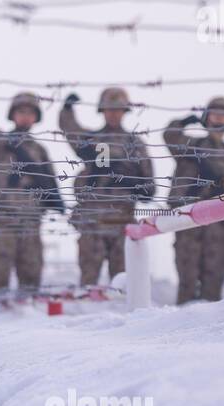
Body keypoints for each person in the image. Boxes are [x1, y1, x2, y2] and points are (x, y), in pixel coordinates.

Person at [0, 76, 64, 292]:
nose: (25, 116)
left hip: (30, 222)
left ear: (35, 117)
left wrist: (56, 203)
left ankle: (28, 320)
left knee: (31, 278)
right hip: (1, 222)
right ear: (13, 115)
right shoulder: (0, 145)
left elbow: (50, 183)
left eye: (30, 112)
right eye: (21, 112)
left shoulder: (39, 151)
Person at [58, 87, 155, 286]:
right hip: (92, 221)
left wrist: (125, 179)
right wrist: (67, 109)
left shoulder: (135, 144)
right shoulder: (91, 140)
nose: (113, 113)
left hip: (122, 220)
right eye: (109, 109)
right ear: (102, 110)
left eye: (118, 109)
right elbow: (71, 131)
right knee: (88, 281)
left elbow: (149, 188)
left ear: (124, 111)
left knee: (122, 282)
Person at [162, 97, 224, 303]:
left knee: (214, 284)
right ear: (206, 117)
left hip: (220, 227)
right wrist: (181, 122)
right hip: (188, 220)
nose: (218, 118)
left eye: (223, 114)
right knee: (187, 281)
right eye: (214, 113)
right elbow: (169, 136)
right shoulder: (190, 145)